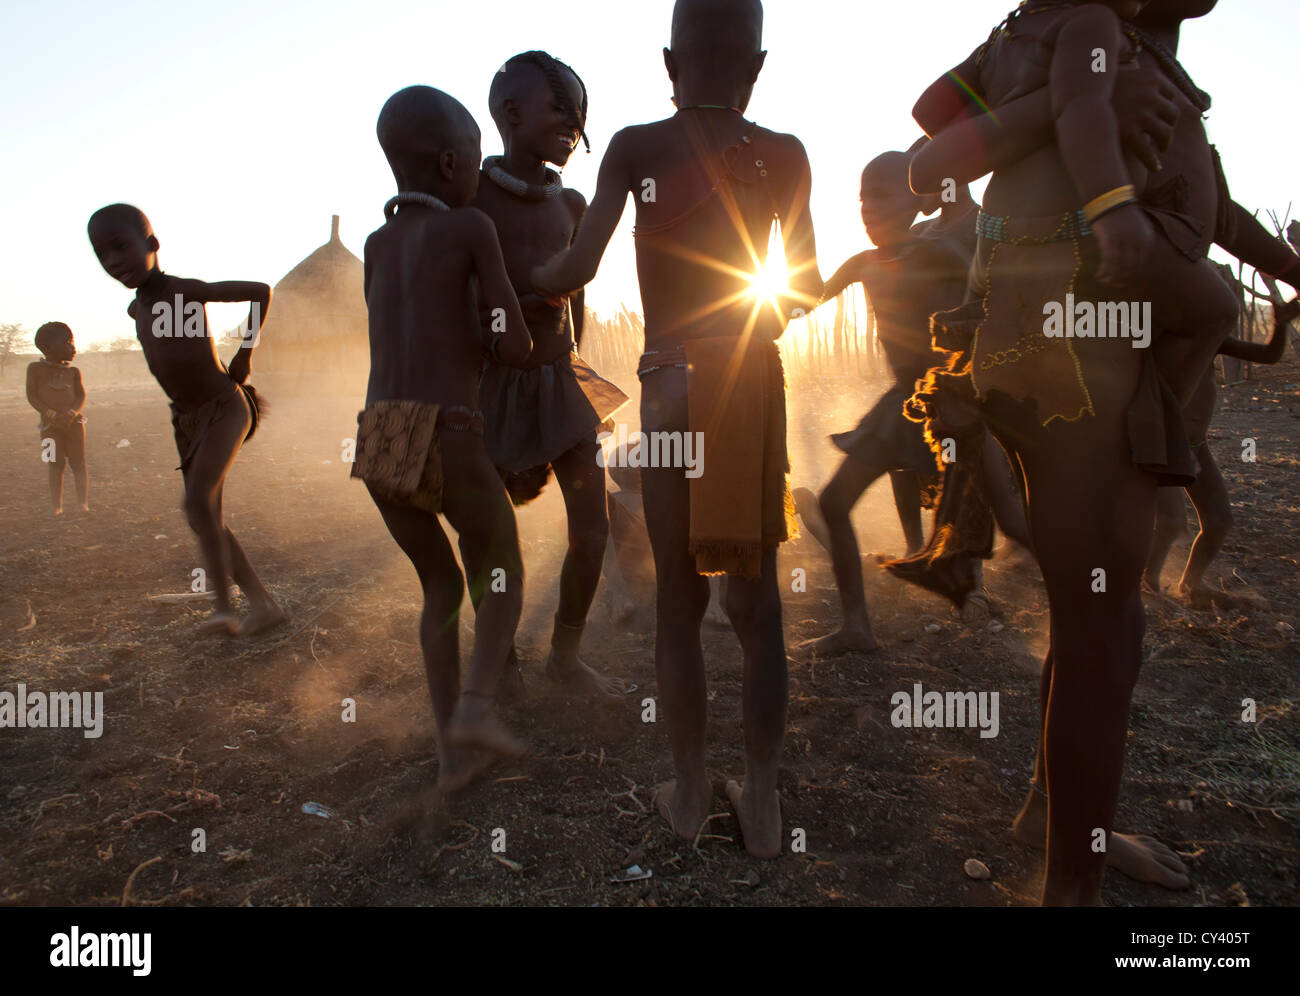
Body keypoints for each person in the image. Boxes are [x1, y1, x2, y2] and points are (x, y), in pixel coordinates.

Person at [534, 0, 822, 858]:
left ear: (668, 61)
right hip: (749, 383)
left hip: (667, 388)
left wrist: (516, 276)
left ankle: (692, 791)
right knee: (758, 599)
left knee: (680, 602)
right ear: (759, 66)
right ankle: (764, 801)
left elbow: (575, 267)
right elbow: (797, 289)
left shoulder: (632, 146)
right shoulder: (788, 153)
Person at [354, 85, 533, 792]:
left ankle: (447, 752)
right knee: (503, 570)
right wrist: (513, 329)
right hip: (449, 429)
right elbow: (511, 339)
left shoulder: (376, 243)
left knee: (439, 588)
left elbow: (408, 328)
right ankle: (477, 709)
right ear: (455, 163)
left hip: (380, 435)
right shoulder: (470, 229)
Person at [473, 51, 630, 702]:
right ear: (510, 112)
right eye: (561, 109)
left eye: (582, 115)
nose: (576, 124)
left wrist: (565, 368)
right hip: (492, 393)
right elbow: (452, 291)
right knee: (492, 536)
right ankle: (499, 660)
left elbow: (580, 305)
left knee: (591, 530)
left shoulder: (570, 202)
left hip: (562, 383)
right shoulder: (471, 201)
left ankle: (565, 658)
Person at [88, 203, 283, 637]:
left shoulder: (184, 292)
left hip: (226, 406)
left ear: (152, 245)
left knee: (197, 504)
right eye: (102, 254)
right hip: (188, 421)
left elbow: (260, 290)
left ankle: (223, 610)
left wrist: (245, 353)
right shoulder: (136, 312)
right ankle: (262, 605)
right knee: (204, 513)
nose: (113, 261)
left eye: (121, 246)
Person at [26, 322, 88, 514]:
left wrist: (71, 413)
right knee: (54, 463)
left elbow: (81, 396)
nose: (73, 348)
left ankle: (82, 504)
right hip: (48, 427)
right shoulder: (35, 369)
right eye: (67, 343)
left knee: (79, 462)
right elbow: (32, 396)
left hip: (75, 424)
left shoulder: (73, 372)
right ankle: (56, 506)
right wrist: (50, 414)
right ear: (49, 347)